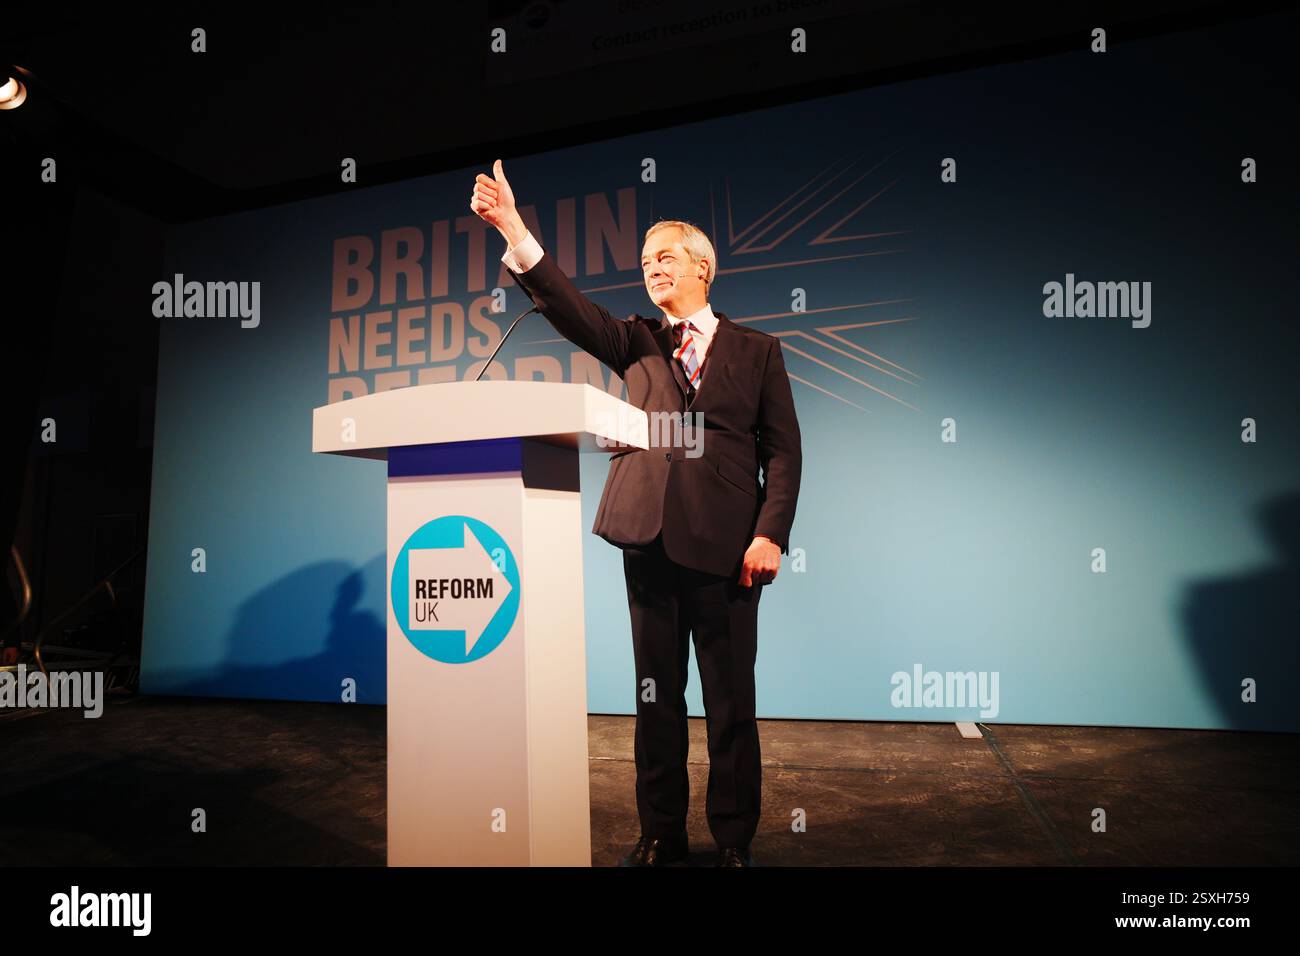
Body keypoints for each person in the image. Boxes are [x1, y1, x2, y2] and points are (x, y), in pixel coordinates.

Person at [471, 160, 802, 867]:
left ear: (703, 268)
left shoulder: (759, 353)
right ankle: (661, 834)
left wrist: (770, 534)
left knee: (729, 703)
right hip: (646, 537)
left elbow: (786, 454)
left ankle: (735, 840)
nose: (652, 268)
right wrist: (514, 229)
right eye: (646, 259)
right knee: (656, 699)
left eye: (667, 257)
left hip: (727, 549)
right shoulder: (635, 340)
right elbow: (566, 304)